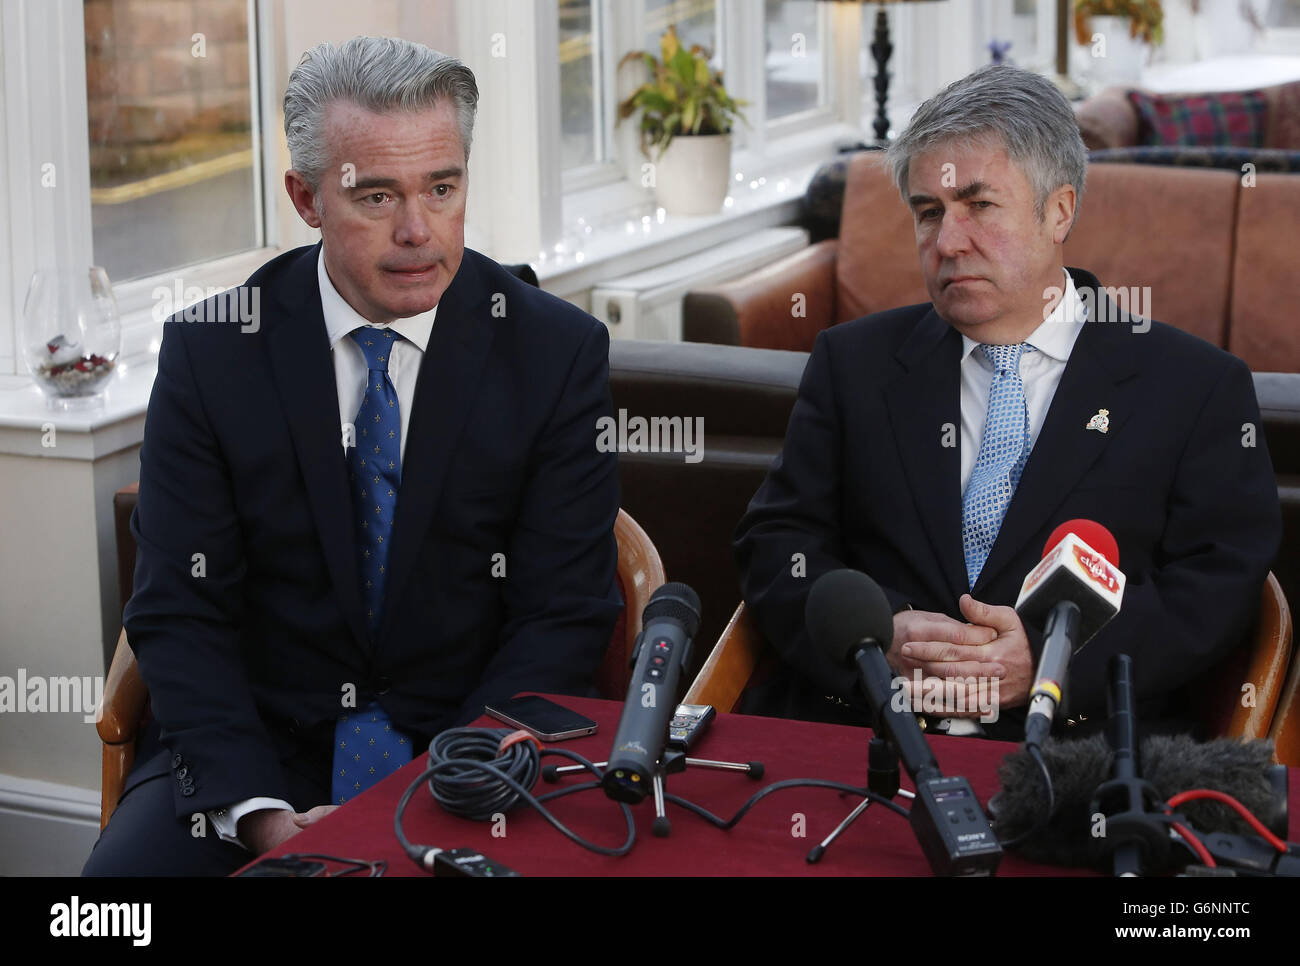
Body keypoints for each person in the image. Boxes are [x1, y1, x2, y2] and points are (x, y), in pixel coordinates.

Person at [83, 37, 621, 875]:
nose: (418, 231)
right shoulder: (212, 354)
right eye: (376, 196)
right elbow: (178, 614)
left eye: (442, 188)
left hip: (465, 752)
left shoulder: (554, 353)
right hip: (256, 757)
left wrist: (451, 782)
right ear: (305, 197)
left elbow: (563, 614)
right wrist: (258, 814)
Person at [734, 64, 1280, 741]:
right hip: (861, 738)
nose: (948, 242)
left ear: (1060, 210)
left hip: (1074, 763)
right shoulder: (853, 365)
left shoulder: (1195, 388)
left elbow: (1217, 590)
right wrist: (879, 637)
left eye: (979, 205)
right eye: (929, 213)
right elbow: (777, 544)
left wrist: (1055, 660)